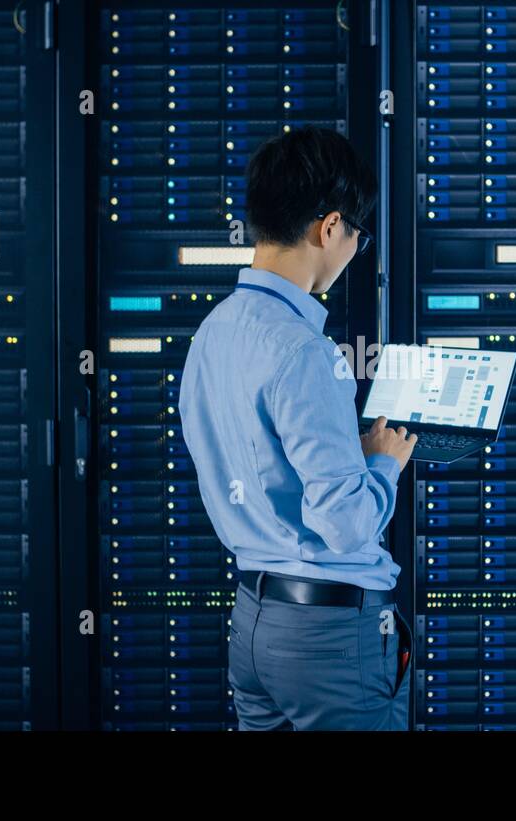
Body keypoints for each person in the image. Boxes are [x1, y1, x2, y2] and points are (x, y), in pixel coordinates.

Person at [179, 125, 417, 730]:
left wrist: (347, 456)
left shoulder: (213, 332)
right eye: (356, 236)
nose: (352, 250)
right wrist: (383, 463)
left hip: (255, 623)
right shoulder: (304, 351)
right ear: (329, 227)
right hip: (329, 638)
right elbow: (343, 526)